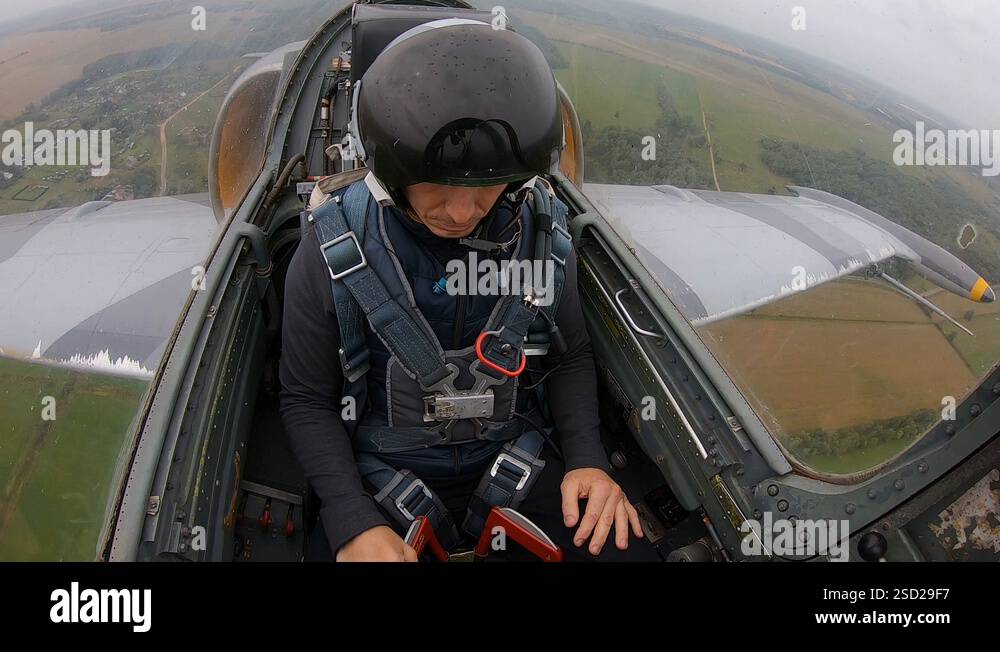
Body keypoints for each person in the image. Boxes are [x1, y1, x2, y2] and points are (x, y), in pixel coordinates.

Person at [279, 19, 659, 562]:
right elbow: (307, 399)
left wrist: (587, 462)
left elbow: (569, 357)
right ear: (391, 168)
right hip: (381, 479)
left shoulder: (542, 237)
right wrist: (350, 519)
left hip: (514, 463)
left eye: (485, 186)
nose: (461, 213)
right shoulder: (332, 249)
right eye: (438, 185)